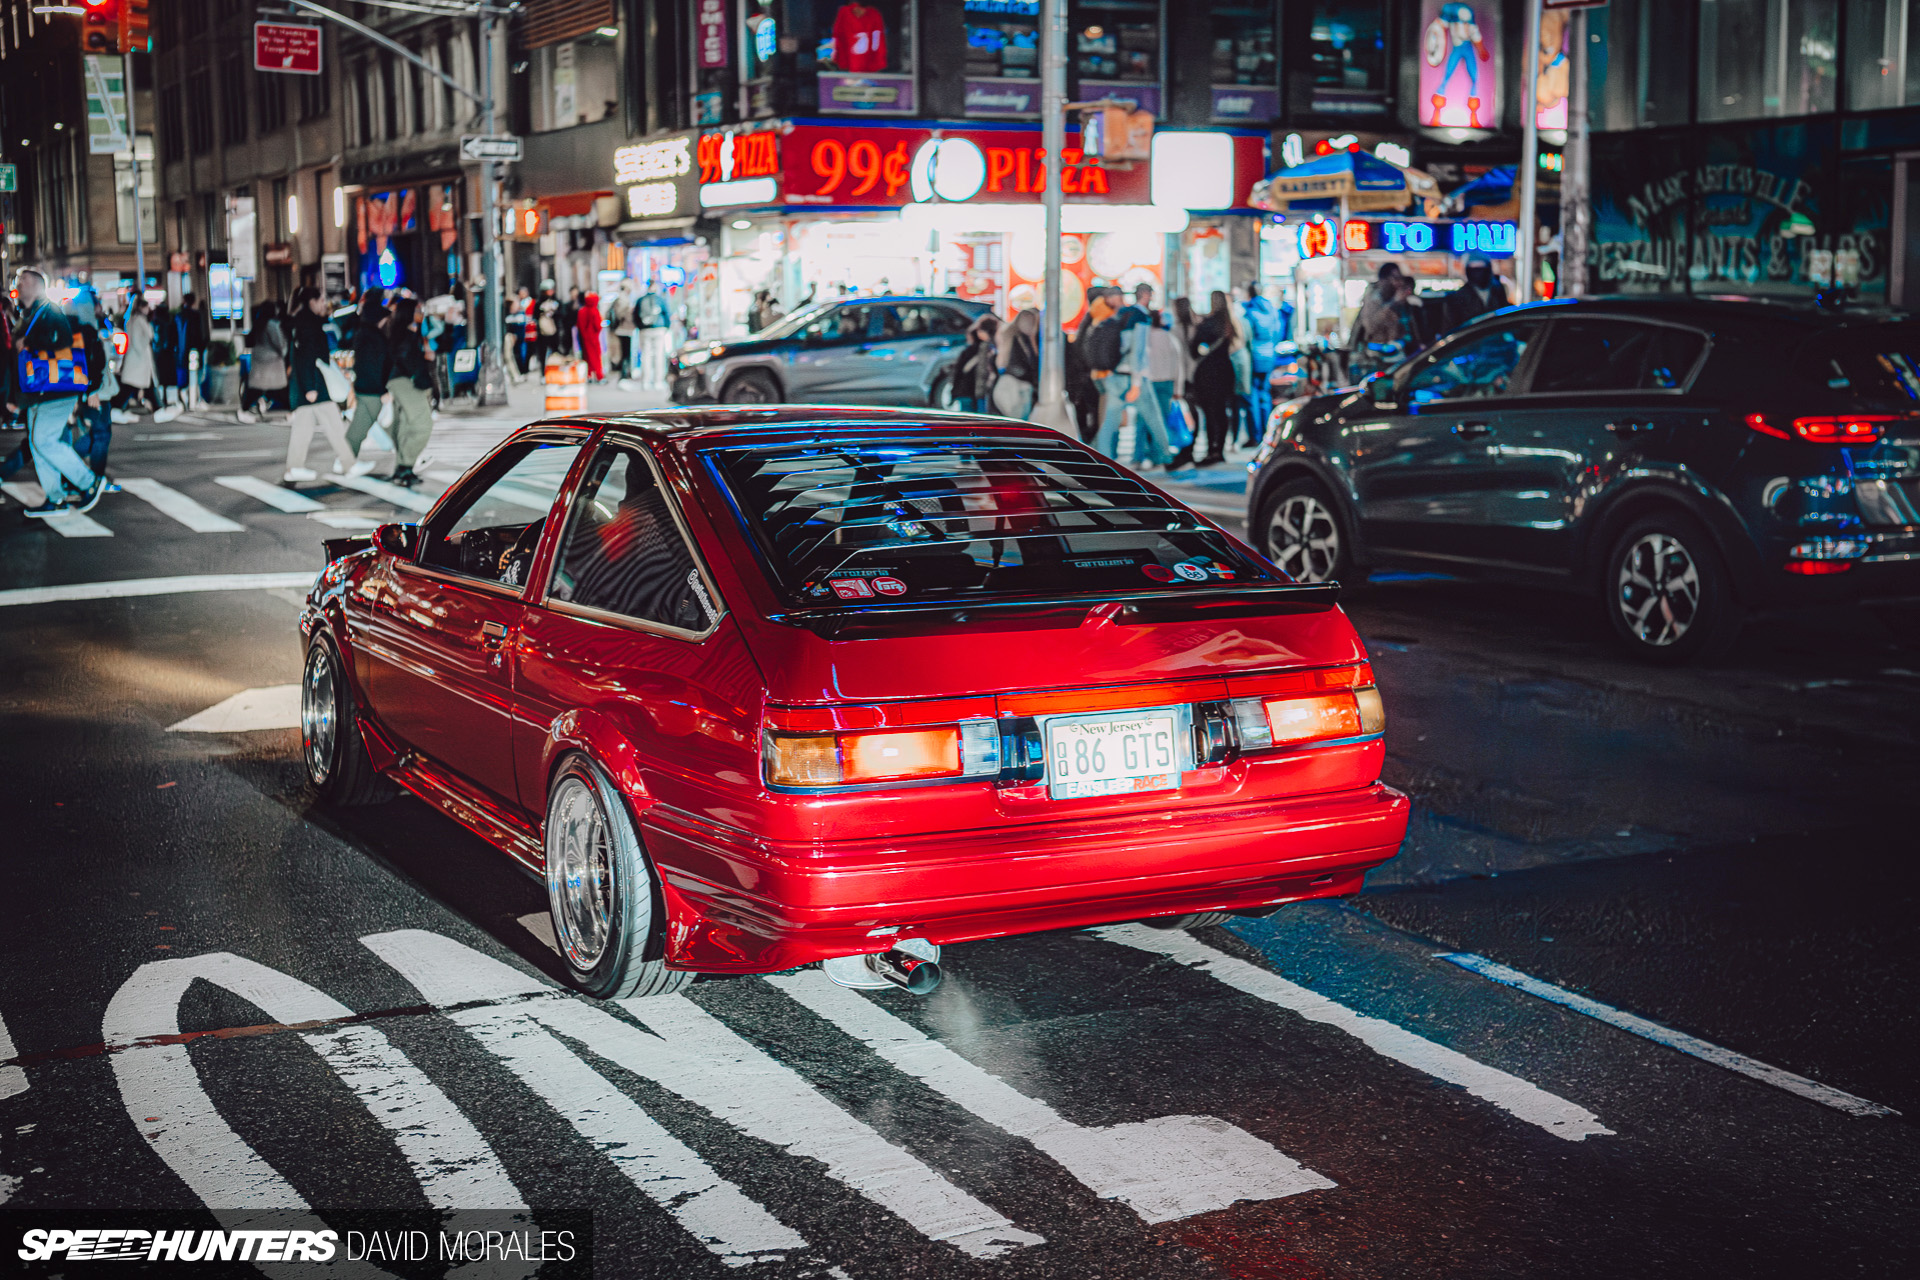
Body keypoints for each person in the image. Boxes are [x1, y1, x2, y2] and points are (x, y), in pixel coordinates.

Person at [3, 268, 106, 518]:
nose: (19, 284)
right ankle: (55, 498)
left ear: (38, 286)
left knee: (43, 441)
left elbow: (62, 339)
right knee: (38, 446)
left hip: (56, 391)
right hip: (36, 393)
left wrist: (28, 344)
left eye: (24, 280)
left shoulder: (49, 311)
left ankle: (88, 481)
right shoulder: (29, 315)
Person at [282, 286, 357, 483]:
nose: (325, 304)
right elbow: (307, 357)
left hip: (310, 385)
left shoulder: (304, 321)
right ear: (312, 302)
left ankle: (295, 467)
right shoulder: (308, 323)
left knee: (305, 429)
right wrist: (310, 388)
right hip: (314, 385)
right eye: (321, 300)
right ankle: (349, 464)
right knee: (332, 424)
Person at [383, 296, 434, 488]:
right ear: (409, 313)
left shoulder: (401, 332)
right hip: (406, 381)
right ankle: (405, 464)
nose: (421, 314)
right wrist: (420, 378)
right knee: (422, 424)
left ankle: (403, 468)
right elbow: (407, 360)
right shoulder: (406, 334)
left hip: (398, 380)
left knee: (405, 424)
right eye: (417, 310)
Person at [1187, 290, 1238, 467]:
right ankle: (1220, 449)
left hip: (1209, 372)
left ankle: (1211, 449)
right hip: (1225, 369)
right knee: (1221, 411)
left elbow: (1194, 348)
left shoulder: (1208, 323)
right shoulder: (1229, 322)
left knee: (1209, 412)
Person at [69, 293, 114, 481]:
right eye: (97, 306)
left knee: (99, 433)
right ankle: (95, 478)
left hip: (88, 391)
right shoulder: (86, 331)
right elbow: (94, 363)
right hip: (94, 392)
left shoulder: (77, 329)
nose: (100, 309)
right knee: (102, 433)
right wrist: (91, 390)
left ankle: (69, 461)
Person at [344, 291, 391, 469]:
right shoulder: (374, 337)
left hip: (366, 386)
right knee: (362, 424)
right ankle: (345, 460)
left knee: (362, 423)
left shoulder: (363, 333)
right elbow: (375, 365)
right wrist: (382, 389)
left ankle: (345, 459)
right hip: (371, 388)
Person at [1241, 282, 1281, 447]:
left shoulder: (1249, 311)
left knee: (1252, 397)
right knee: (1265, 394)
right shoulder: (1271, 310)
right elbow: (1277, 332)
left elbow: (1247, 336)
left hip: (1255, 356)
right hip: (1269, 355)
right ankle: (1267, 431)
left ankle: (1255, 435)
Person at [239, 300, 288, 422]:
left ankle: (244, 409)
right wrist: (284, 353)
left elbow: (250, 341)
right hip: (273, 362)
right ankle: (291, 411)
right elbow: (279, 343)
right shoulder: (272, 324)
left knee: (256, 388)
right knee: (279, 388)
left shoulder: (258, 323)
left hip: (259, 361)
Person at [1442, 252, 1511, 330]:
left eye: (1481, 269)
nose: (1478, 274)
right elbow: (1450, 328)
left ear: (1488, 270)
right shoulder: (1456, 299)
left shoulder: (1499, 291)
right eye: (1474, 270)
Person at [992, 308, 1040, 418]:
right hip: (1019, 384)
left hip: (1011, 381)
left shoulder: (1009, 335)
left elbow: (1000, 362)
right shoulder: (1021, 339)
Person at [116, 296, 157, 418]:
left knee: (133, 385)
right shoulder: (139, 320)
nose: (148, 310)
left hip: (135, 359)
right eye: (146, 307)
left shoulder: (132, 320)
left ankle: (156, 406)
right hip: (139, 359)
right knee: (132, 385)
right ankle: (157, 406)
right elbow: (143, 339)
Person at [953, 313, 1000, 413]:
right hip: (979, 392)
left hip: (968, 391)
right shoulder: (991, 347)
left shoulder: (978, 347)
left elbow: (961, 371)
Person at [635, 282, 672, 389]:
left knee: (645, 355)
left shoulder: (641, 300)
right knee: (659, 354)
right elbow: (666, 314)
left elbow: (635, 315)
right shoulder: (660, 300)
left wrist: (640, 327)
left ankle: (645, 381)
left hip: (645, 330)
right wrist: (666, 327)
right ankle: (658, 381)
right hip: (659, 329)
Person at [180, 292, 211, 407]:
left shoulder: (179, 315)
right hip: (196, 349)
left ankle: (190, 395)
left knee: (190, 374)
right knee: (198, 374)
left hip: (184, 350)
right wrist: (203, 345)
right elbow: (200, 333)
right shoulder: (195, 315)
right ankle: (195, 398)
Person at [609, 282, 637, 387]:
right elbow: (620, 314)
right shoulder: (622, 299)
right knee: (625, 352)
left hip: (625, 329)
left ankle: (626, 372)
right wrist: (628, 311)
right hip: (623, 329)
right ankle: (624, 373)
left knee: (626, 352)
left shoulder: (623, 298)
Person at [576, 291, 605, 382]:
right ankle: (599, 376)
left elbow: (579, 325)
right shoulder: (594, 311)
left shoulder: (581, 311)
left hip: (584, 338)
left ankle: (588, 375)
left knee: (586, 357)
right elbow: (598, 326)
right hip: (593, 338)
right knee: (596, 357)